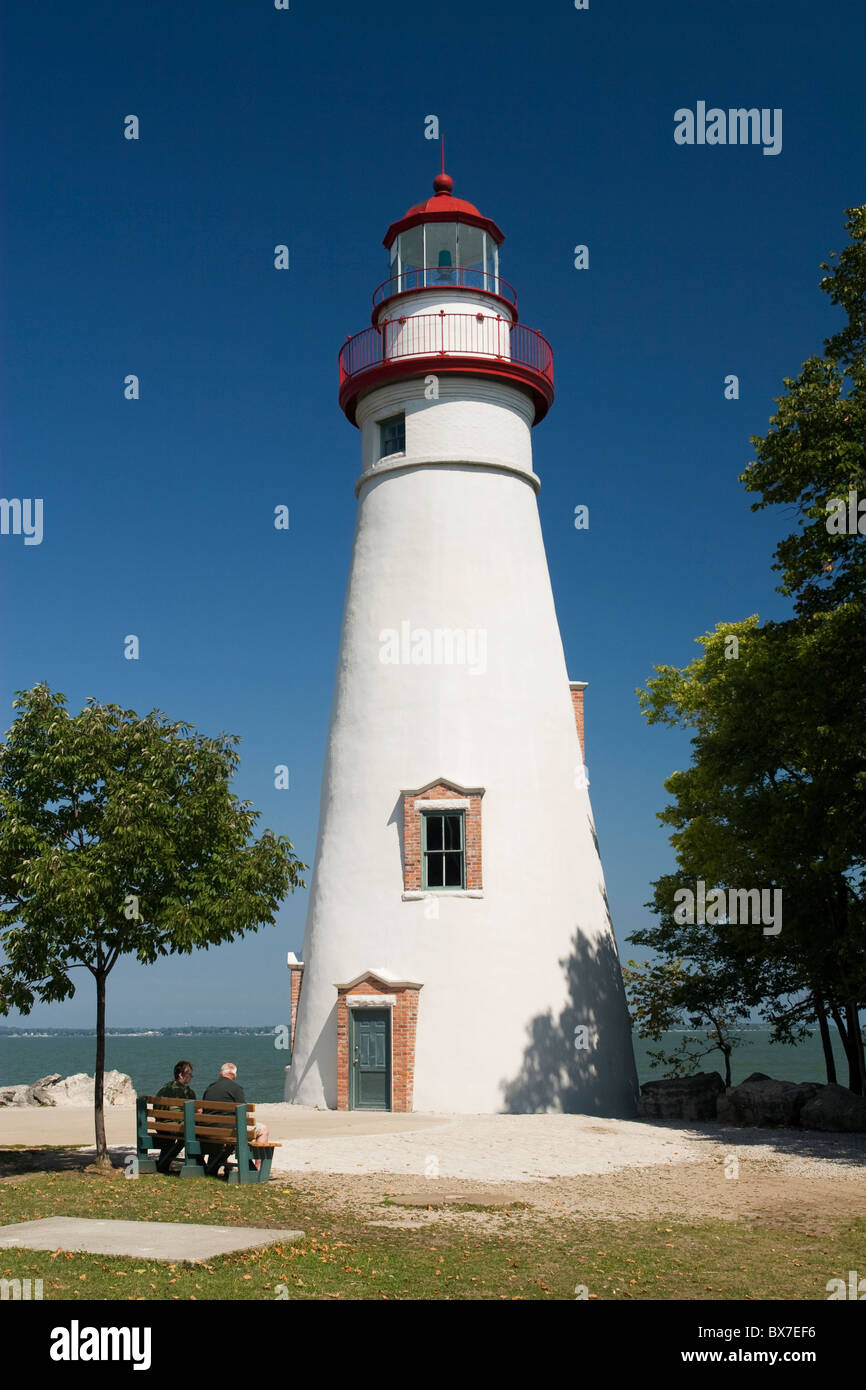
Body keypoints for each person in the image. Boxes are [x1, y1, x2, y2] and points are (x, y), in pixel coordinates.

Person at [201, 1062, 270, 1176]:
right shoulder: (236, 1088)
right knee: (263, 1130)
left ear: (221, 1074)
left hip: (209, 1132)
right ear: (234, 1075)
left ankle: (224, 1163)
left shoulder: (210, 1088)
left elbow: (204, 1111)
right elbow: (245, 1115)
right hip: (229, 1134)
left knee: (227, 1132)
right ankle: (257, 1168)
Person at [154, 1060, 195, 1173]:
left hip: (160, 1127)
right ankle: (200, 1165)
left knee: (176, 1137)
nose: (191, 1077)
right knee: (191, 1133)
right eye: (189, 1074)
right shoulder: (188, 1092)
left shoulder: (163, 1089)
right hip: (175, 1129)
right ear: (181, 1075)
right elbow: (197, 1111)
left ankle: (163, 1164)